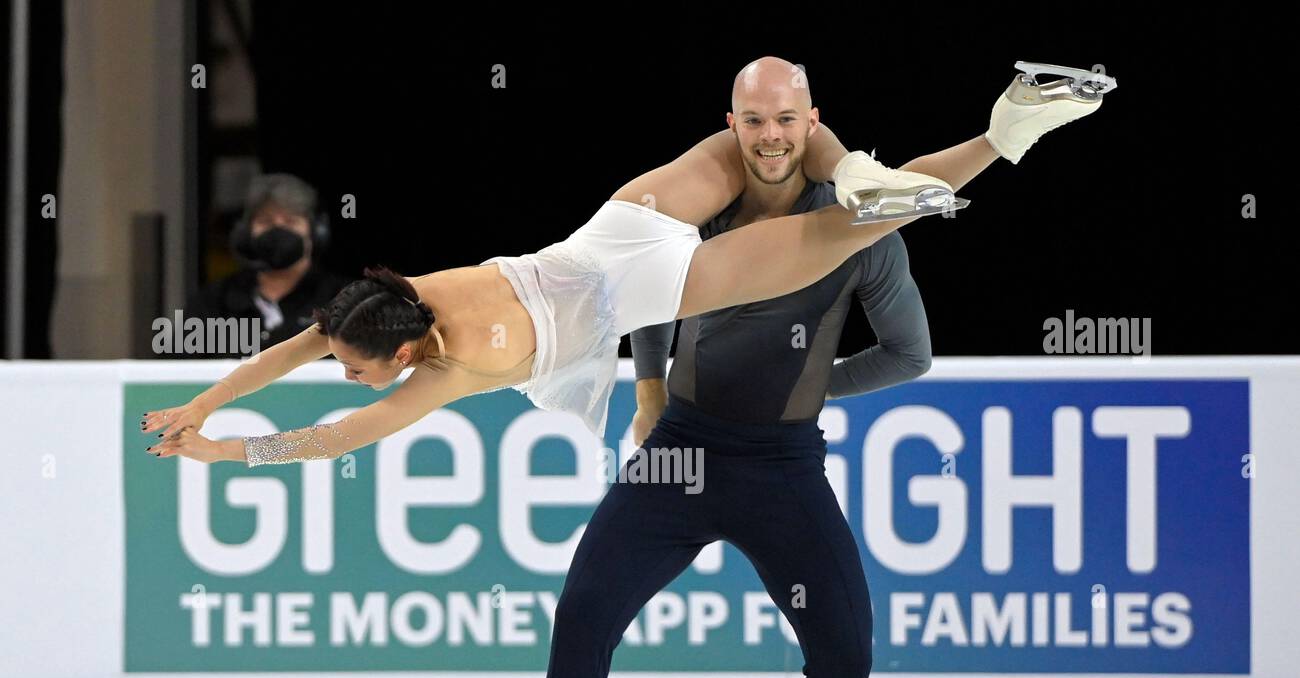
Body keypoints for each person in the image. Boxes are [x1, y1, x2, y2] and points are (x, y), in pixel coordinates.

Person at [438, 59, 1112, 678]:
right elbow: (630, 295)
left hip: (782, 468)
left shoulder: (862, 228)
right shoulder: (695, 208)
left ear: (811, 122)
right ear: (732, 124)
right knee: (582, 623)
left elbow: (911, 354)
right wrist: (649, 396)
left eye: (786, 121)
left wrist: (806, 384)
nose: (770, 138)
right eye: (754, 122)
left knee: (845, 656)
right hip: (677, 457)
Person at [140, 61, 1105, 464]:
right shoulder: (405, 297)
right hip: (617, 224)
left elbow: (339, 437)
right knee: (784, 151)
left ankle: (950, 147)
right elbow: (298, 354)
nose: (341, 368)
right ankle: (955, 138)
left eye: (351, 366)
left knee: (850, 223)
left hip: (652, 286)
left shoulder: (439, 373)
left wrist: (220, 444)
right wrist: (204, 405)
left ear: (397, 356)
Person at [184, 173, 346, 353]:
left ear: (315, 233)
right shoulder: (211, 304)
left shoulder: (344, 302)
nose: (277, 230)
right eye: (266, 221)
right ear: (246, 235)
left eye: (290, 221)